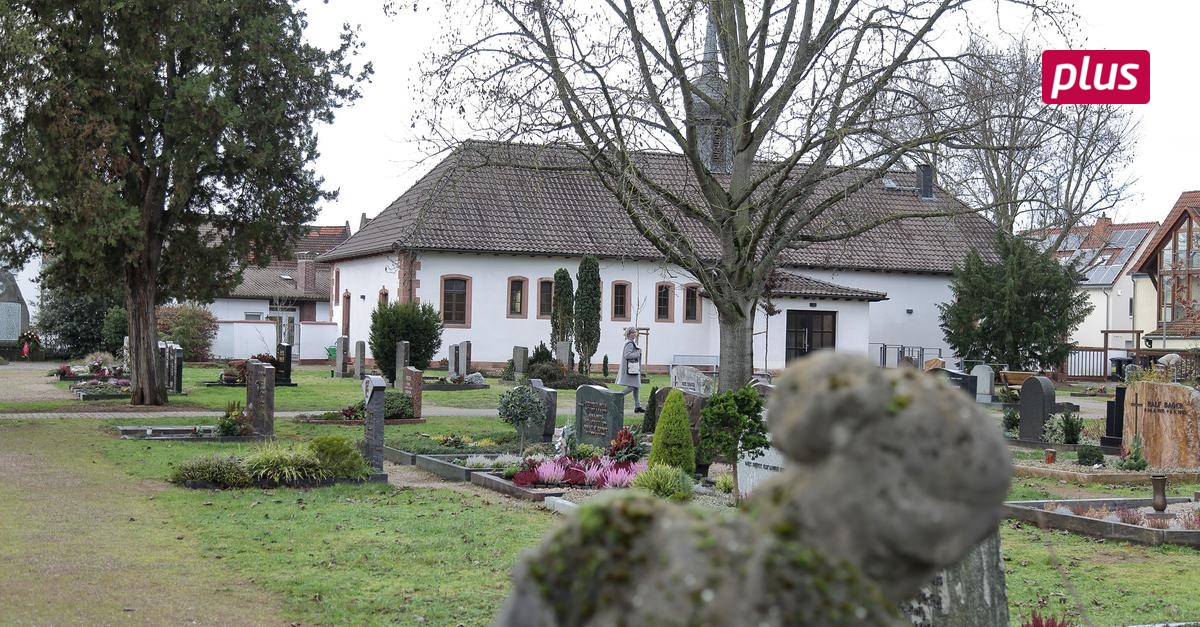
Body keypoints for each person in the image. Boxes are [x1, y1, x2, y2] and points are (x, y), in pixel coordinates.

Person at [617, 327, 644, 413]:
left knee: (636, 387)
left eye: (635, 332)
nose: (635, 334)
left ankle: (637, 406)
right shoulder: (630, 344)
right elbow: (627, 355)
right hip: (631, 369)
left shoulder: (631, 343)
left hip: (633, 369)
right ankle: (617, 396)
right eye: (633, 332)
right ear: (629, 334)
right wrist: (638, 353)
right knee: (632, 386)